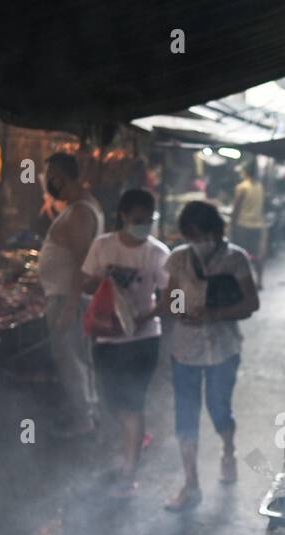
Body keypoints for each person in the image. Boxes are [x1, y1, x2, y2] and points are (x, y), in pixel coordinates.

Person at [161, 200, 259, 512]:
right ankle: (191, 485)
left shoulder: (237, 259)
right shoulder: (177, 259)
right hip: (185, 349)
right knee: (185, 417)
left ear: (215, 232)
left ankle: (228, 451)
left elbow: (250, 305)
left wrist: (214, 313)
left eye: (201, 235)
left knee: (219, 409)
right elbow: (170, 301)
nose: (197, 242)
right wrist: (184, 312)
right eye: (190, 236)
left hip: (223, 348)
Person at [80, 188, 169, 495]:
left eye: (149, 220)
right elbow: (86, 284)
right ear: (123, 217)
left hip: (142, 340)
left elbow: (172, 298)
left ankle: (129, 473)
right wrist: (104, 277)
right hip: (106, 338)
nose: (143, 226)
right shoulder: (102, 246)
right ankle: (124, 454)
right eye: (137, 220)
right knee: (112, 402)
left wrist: (144, 317)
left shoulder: (157, 252)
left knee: (132, 405)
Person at [38, 152, 106, 439]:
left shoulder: (80, 212)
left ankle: (84, 420)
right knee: (79, 359)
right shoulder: (82, 205)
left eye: (49, 175)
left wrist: (69, 306)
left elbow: (82, 262)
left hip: (68, 299)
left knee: (71, 360)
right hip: (69, 298)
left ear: (59, 176)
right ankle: (90, 413)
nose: (46, 181)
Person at [229, 163, 266, 286]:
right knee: (256, 254)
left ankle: (241, 282)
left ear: (245, 172)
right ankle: (259, 281)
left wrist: (231, 224)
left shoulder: (242, 187)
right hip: (257, 225)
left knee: (240, 254)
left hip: (243, 225)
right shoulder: (259, 186)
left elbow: (236, 208)